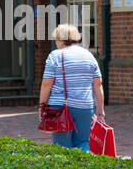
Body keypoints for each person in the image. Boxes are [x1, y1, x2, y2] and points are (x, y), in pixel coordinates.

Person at [38, 23, 105, 152]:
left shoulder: (55, 56)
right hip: (85, 106)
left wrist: (42, 105)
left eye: (56, 39)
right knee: (83, 142)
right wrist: (100, 109)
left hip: (60, 107)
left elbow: (47, 84)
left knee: (62, 146)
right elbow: (97, 85)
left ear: (61, 40)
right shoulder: (89, 56)